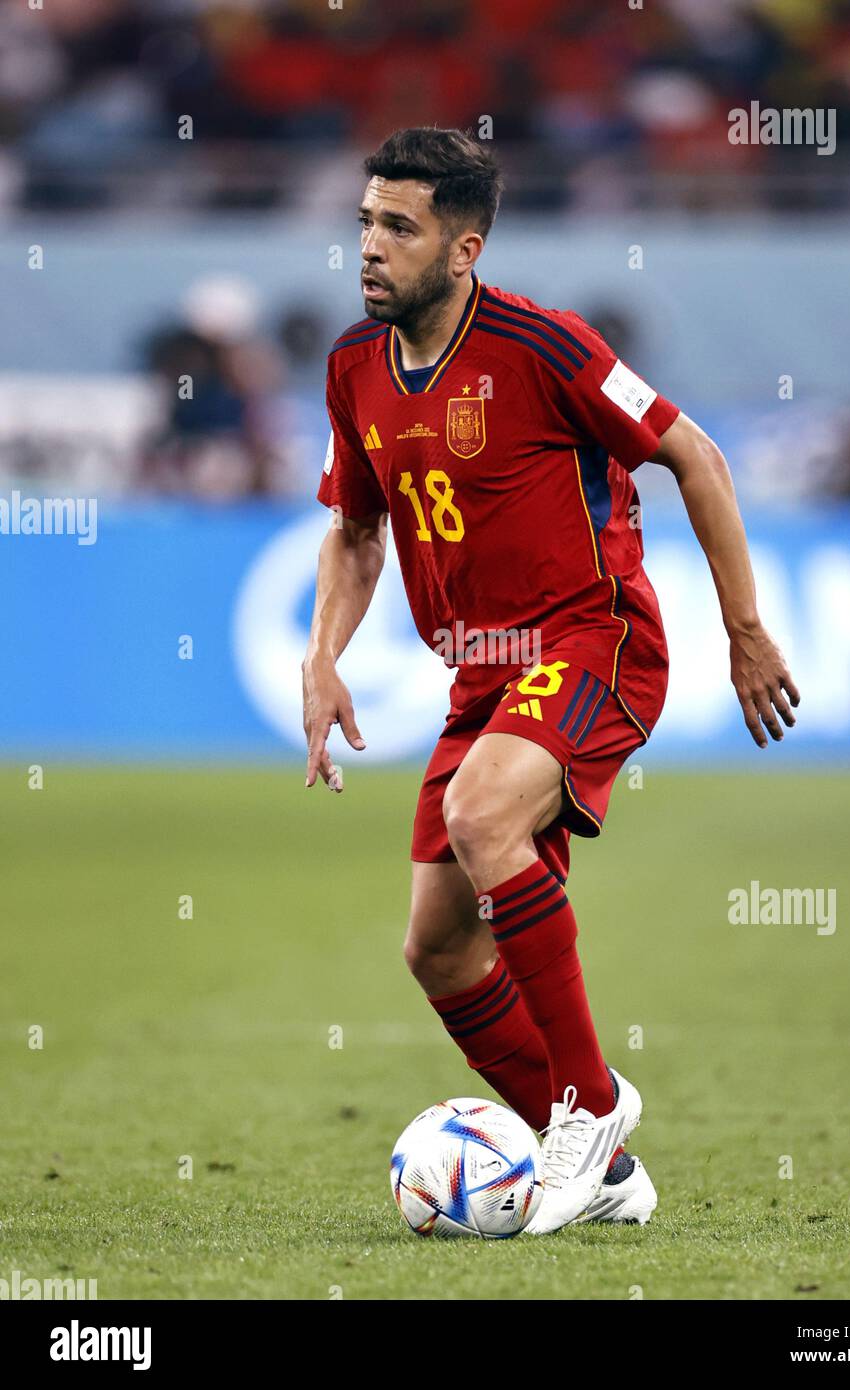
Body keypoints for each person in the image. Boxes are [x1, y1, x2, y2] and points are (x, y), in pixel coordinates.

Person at [302, 127, 799, 1234]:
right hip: (478, 680)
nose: (370, 248)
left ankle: (585, 1106)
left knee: (485, 815)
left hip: (590, 638)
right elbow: (354, 528)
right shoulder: (353, 366)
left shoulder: (545, 345)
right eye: (365, 223)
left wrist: (747, 630)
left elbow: (696, 457)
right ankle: (606, 1172)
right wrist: (323, 654)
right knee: (436, 947)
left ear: (464, 247)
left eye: (399, 228)